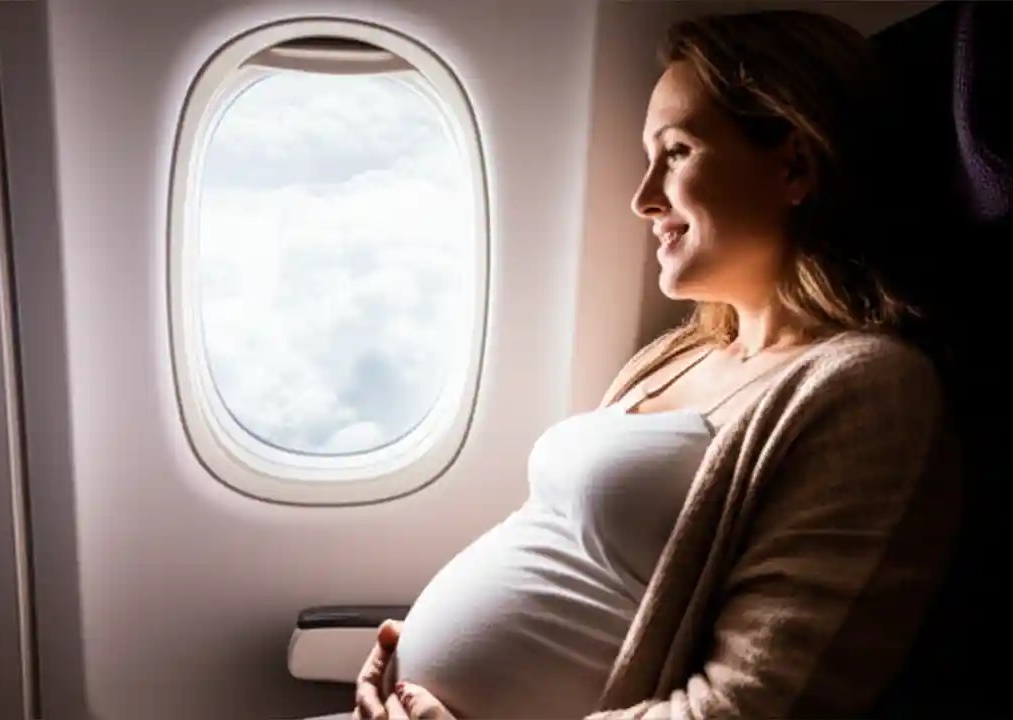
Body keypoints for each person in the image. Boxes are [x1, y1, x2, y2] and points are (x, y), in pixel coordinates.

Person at [350, 9, 962, 720]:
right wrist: (394, 670)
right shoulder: (680, 353)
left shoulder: (871, 391)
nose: (644, 198)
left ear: (793, 163)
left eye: (675, 152)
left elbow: (757, 703)